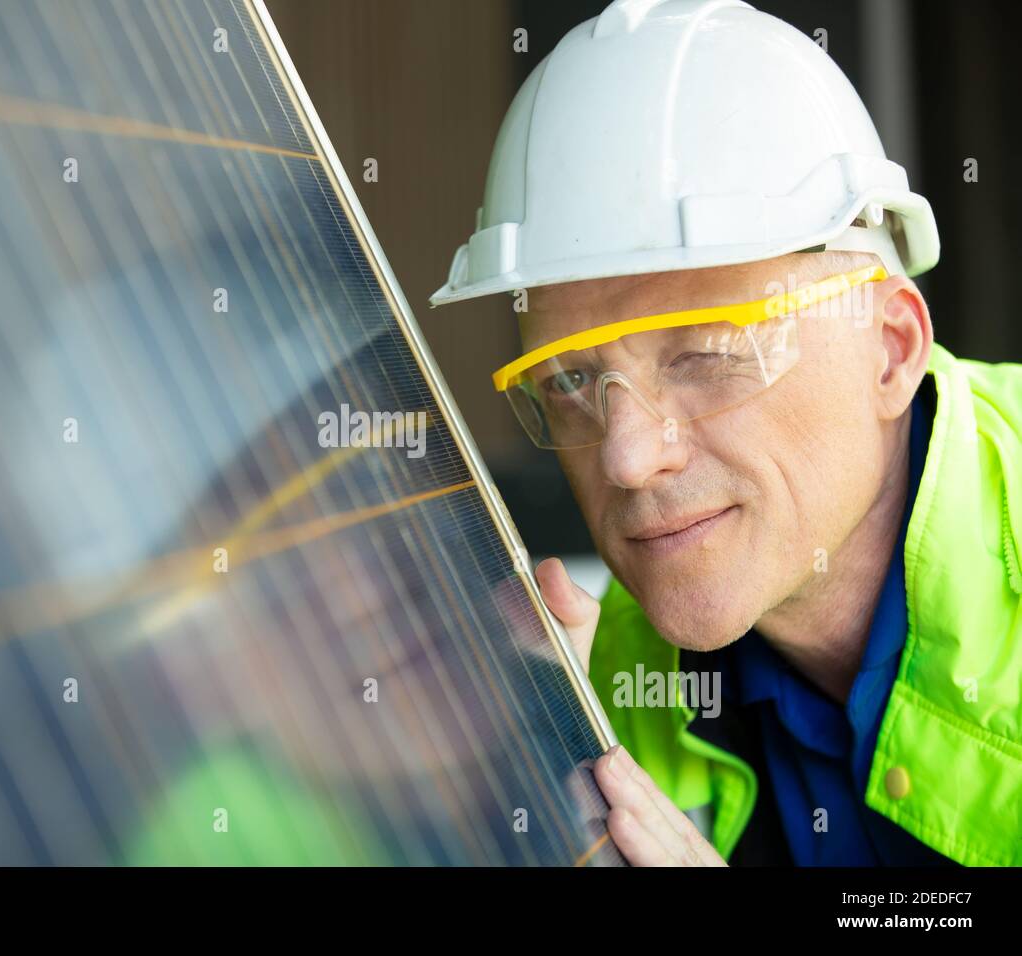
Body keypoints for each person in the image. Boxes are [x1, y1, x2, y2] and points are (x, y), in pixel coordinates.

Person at [431, 0, 1021, 865]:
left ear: (890, 351)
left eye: (708, 355)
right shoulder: (613, 689)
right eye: (569, 381)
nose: (627, 456)